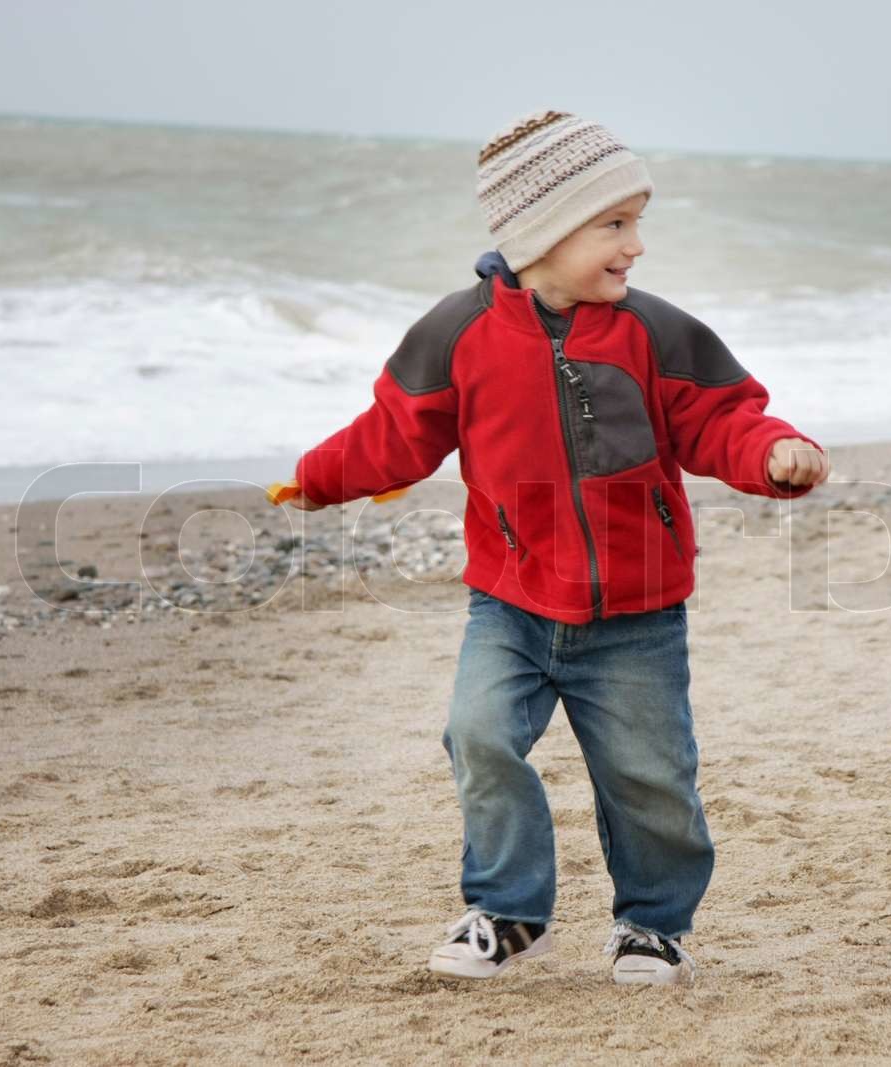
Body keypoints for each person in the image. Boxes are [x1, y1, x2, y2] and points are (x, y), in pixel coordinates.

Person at [287, 111, 829, 981]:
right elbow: (395, 432)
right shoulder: (457, 333)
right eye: (614, 224)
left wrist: (773, 454)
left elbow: (722, 416)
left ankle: (652, 923)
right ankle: (507, 910)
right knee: (479, 734)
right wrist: (315, 478)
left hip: (638, 610)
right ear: (540, 232)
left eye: (638, 221)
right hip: (511, 599)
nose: (637, 245)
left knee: (652, 778)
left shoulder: (655, 331)